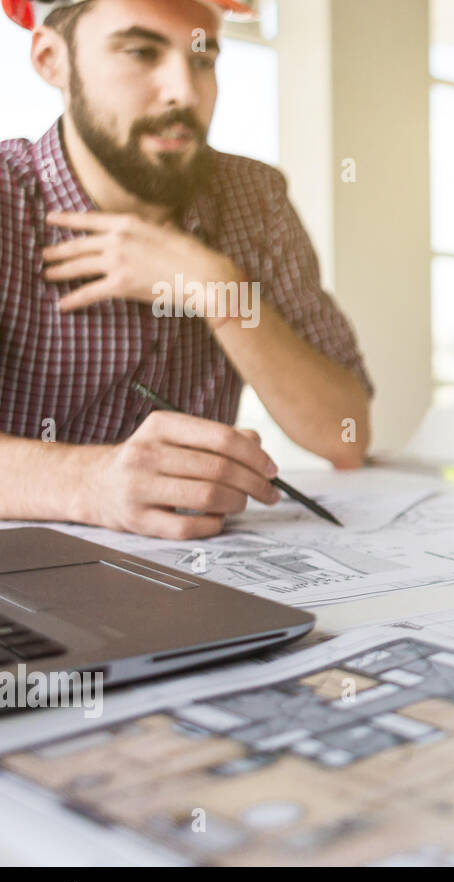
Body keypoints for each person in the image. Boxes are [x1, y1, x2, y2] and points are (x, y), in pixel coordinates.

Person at [0, 0, 373, 540]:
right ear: (52, 60)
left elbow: (346, 435)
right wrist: (93, 483)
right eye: (141, 53)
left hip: (203, 581)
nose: (184, 91)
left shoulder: (255, 198)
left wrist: (223, 293)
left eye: (203, 59)